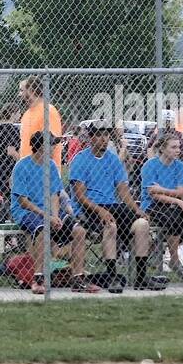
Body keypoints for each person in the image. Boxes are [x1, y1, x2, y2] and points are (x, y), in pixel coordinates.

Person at [11, 132, 100, 294]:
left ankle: (78, 279)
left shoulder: (51, 165)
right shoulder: (22, 166)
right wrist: (48, 217)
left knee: (79, 230)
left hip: (48, 213)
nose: (54, 147)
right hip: (26, 212)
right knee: (42, 229)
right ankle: (38, 279)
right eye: (52, 144)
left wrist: (56, 216)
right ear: (41, 147)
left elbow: (54, 194)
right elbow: (23, 201)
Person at [69, 122, 150, 291]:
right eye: (99, 135)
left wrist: (137, 210)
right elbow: (80, 196)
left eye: (106, 135)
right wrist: (100, 210)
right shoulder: (80, 159)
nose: (104, 139)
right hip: (90, 208)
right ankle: (112, 277)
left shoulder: (113, 159)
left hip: (112, 206)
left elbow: (123, 191)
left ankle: (141, 278)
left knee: (142, 224)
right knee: (110, 225)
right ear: (90, 138)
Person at [140, 134, 183, 286]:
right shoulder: (150, 165)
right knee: (173, 217)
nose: (178, 150)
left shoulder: (180, 166)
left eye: (179, 147)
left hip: (175, 204)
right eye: (173, 147)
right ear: (162, 149)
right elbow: (153, 195)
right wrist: (177, 200)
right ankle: (174, 260)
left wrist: (162, 189)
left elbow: (182, 192)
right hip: (152, 206)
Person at [19, 76, 63, 170]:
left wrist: (38, 167)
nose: (19, 94)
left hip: (44, 171)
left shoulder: (48, 110)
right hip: (26, 170)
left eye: (22, 90)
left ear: (31, 90)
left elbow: (52, 143)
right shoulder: (26, 114)